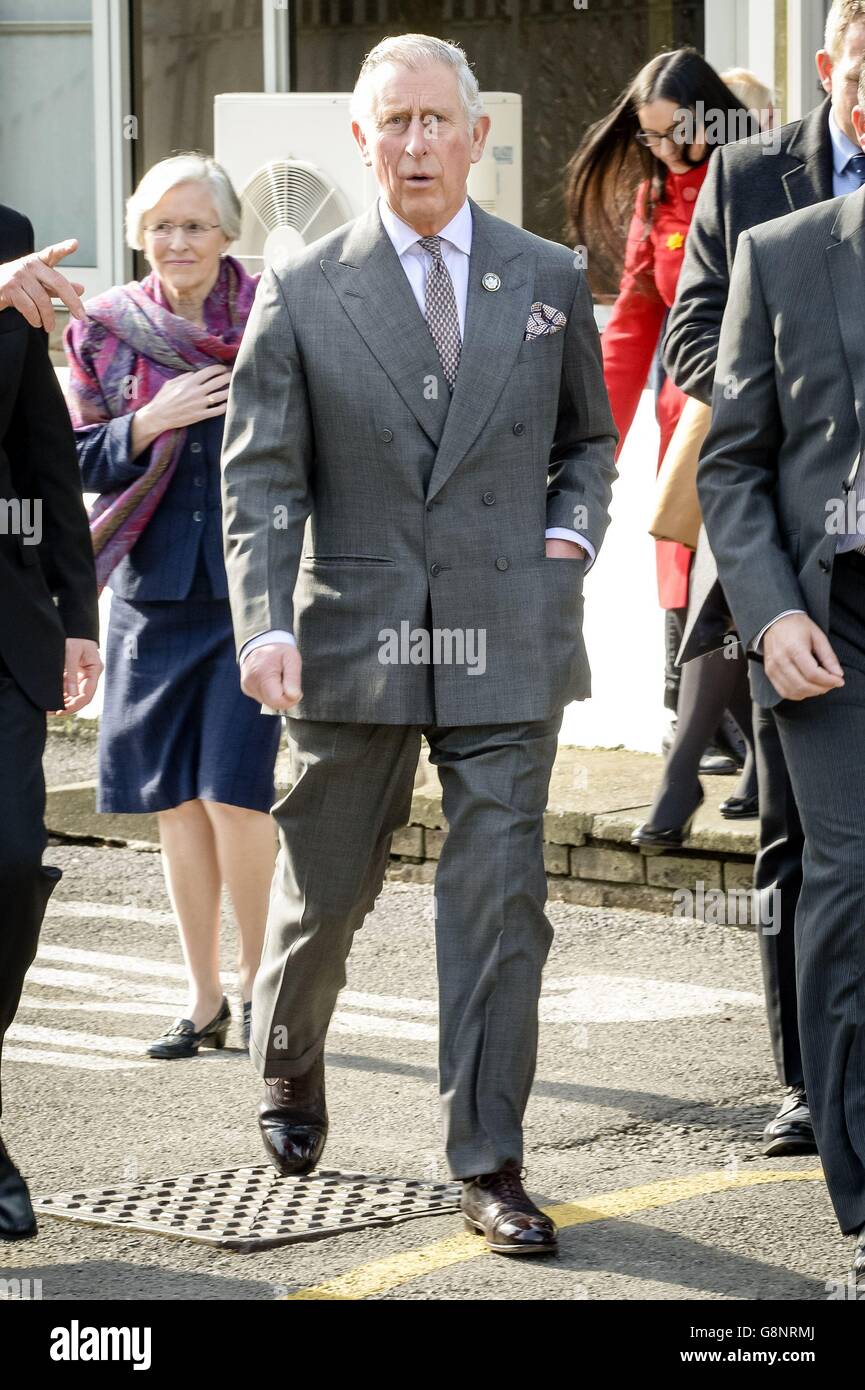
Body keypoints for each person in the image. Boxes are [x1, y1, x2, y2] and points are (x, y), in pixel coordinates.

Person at [221, 32, 617, 1256]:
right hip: (356, 632)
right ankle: (289, 1055)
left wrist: (570, 536)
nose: (415, 143)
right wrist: (266, 621)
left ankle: (488, 1159)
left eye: (435, 120)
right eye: (391, 123)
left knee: (499, 904)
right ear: (360, 141)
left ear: (478, 136)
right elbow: (262, 472)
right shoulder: (304, 282)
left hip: (508, 629)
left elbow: (588, 443)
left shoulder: (546, 271)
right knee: (326, 888)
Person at [664, 0, 865, 1157]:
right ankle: (816, 1094)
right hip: (803, 574)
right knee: (816, 851)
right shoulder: (754, 194)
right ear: (831, 69)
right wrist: (787, 375)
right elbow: (708, 357)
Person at [64, 154, 280, 1059]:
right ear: (137, 232)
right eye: (161, 225)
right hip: (152, 592)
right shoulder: (101, 329)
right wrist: (151, 420)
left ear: (230, 234)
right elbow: (71, 458)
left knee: (237, 798)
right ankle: (201, 1001)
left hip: (254, 592)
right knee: (175, 806)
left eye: (196, 224)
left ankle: (265, 990)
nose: (178, 242)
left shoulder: (277, 310)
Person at [564, 49, 758, 845]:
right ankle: (753, 768)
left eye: (674, 134)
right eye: (648, 139)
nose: (664, 151)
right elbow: (636, 319)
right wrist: (591, 446)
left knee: (728, 593)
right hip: (689, 431)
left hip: (752, 424)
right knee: (713, 598)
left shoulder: (758, 175)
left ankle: (681, 783)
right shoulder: (656, 192)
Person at [0, 208, 101, 1240]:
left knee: (8, 861)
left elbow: (43, 450)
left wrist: (77, 614)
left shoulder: (10, 239)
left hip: (3, 634)